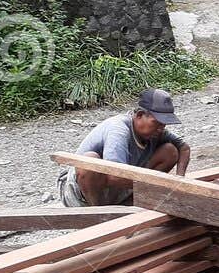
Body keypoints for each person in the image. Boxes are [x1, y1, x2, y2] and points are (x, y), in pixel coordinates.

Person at [59, 88, 190, 207]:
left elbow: (183, 148)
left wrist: (179, 181)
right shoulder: (119, 129)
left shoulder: (156, 131)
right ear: (139, 115)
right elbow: (114, 175)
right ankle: (97, 213)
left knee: (170, 151)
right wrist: (161, 182)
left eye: (164, 125)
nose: (161, 129)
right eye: (157, 123)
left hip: (115, 190)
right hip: (79, 196)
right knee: (89, 161)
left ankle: (132, 202)